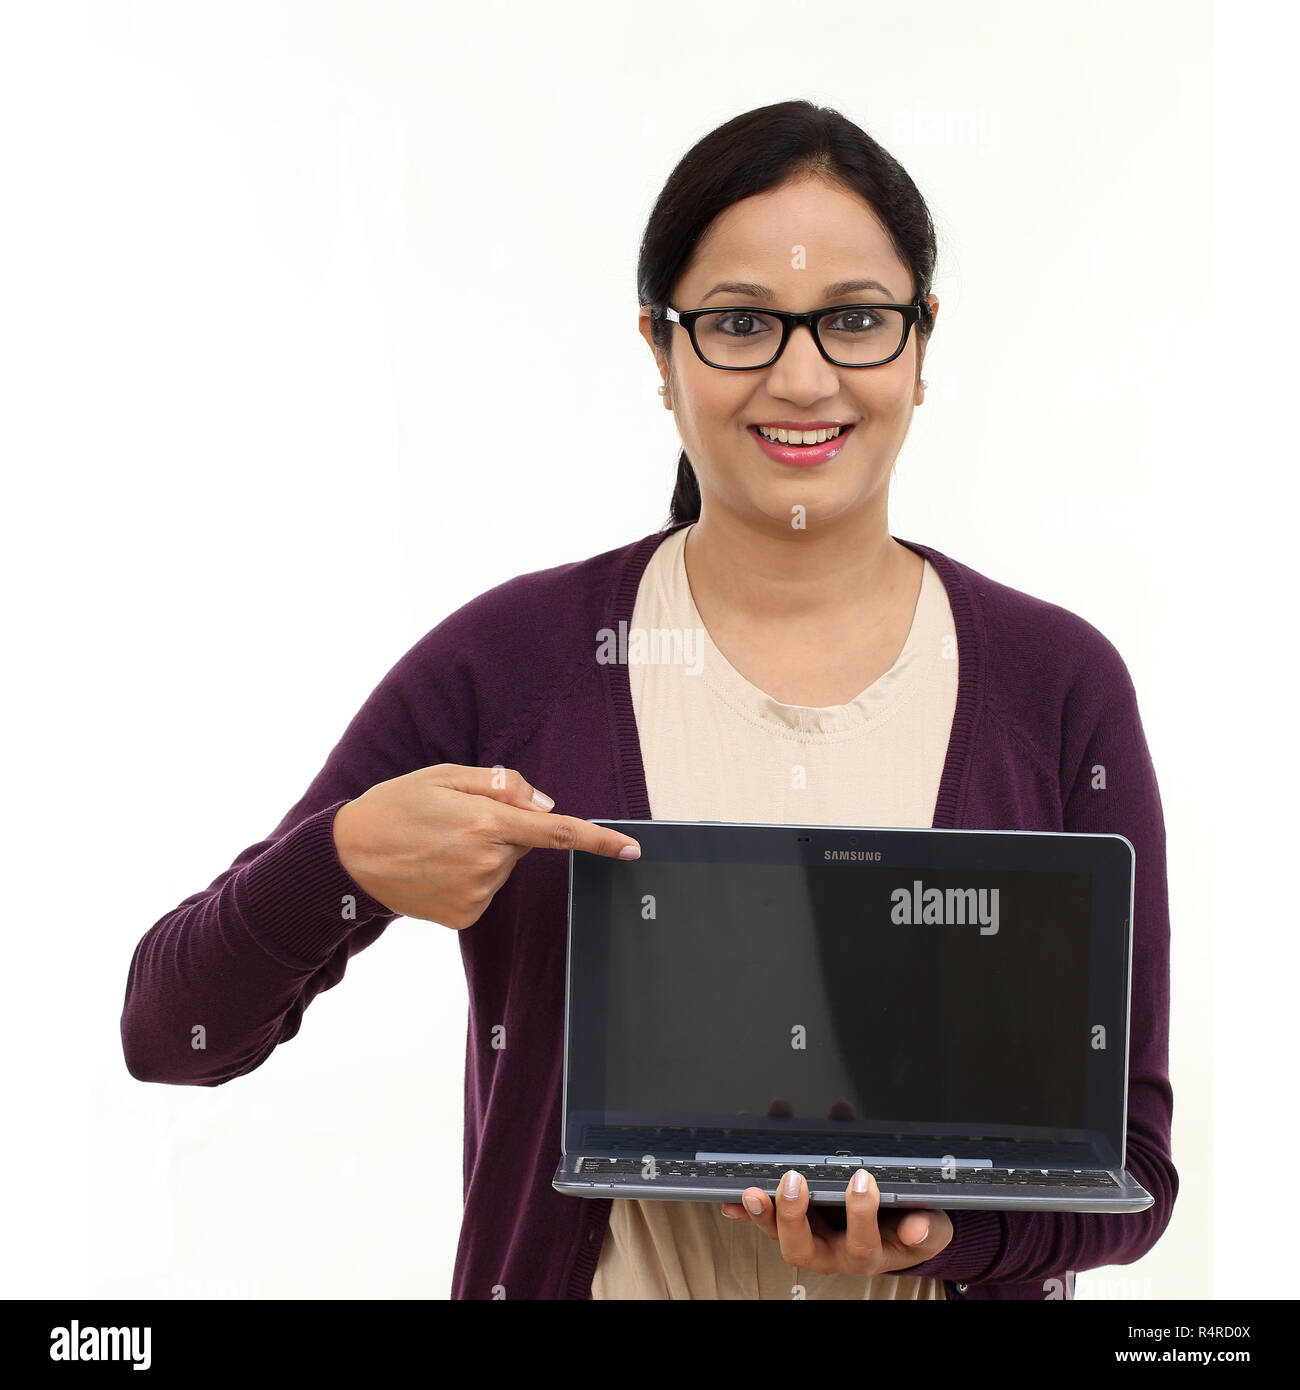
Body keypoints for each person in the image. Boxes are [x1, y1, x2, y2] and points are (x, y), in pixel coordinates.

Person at [121, 99, 1177, 1300]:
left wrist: (945, 1235)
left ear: (921, 346)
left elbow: (1131, 1171)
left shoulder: (1057, 685)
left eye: (855, 321)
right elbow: (171, 1031)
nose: (801, 373)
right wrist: (341, 861)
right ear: (659, 351)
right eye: (738, 323)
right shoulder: (510, 663)